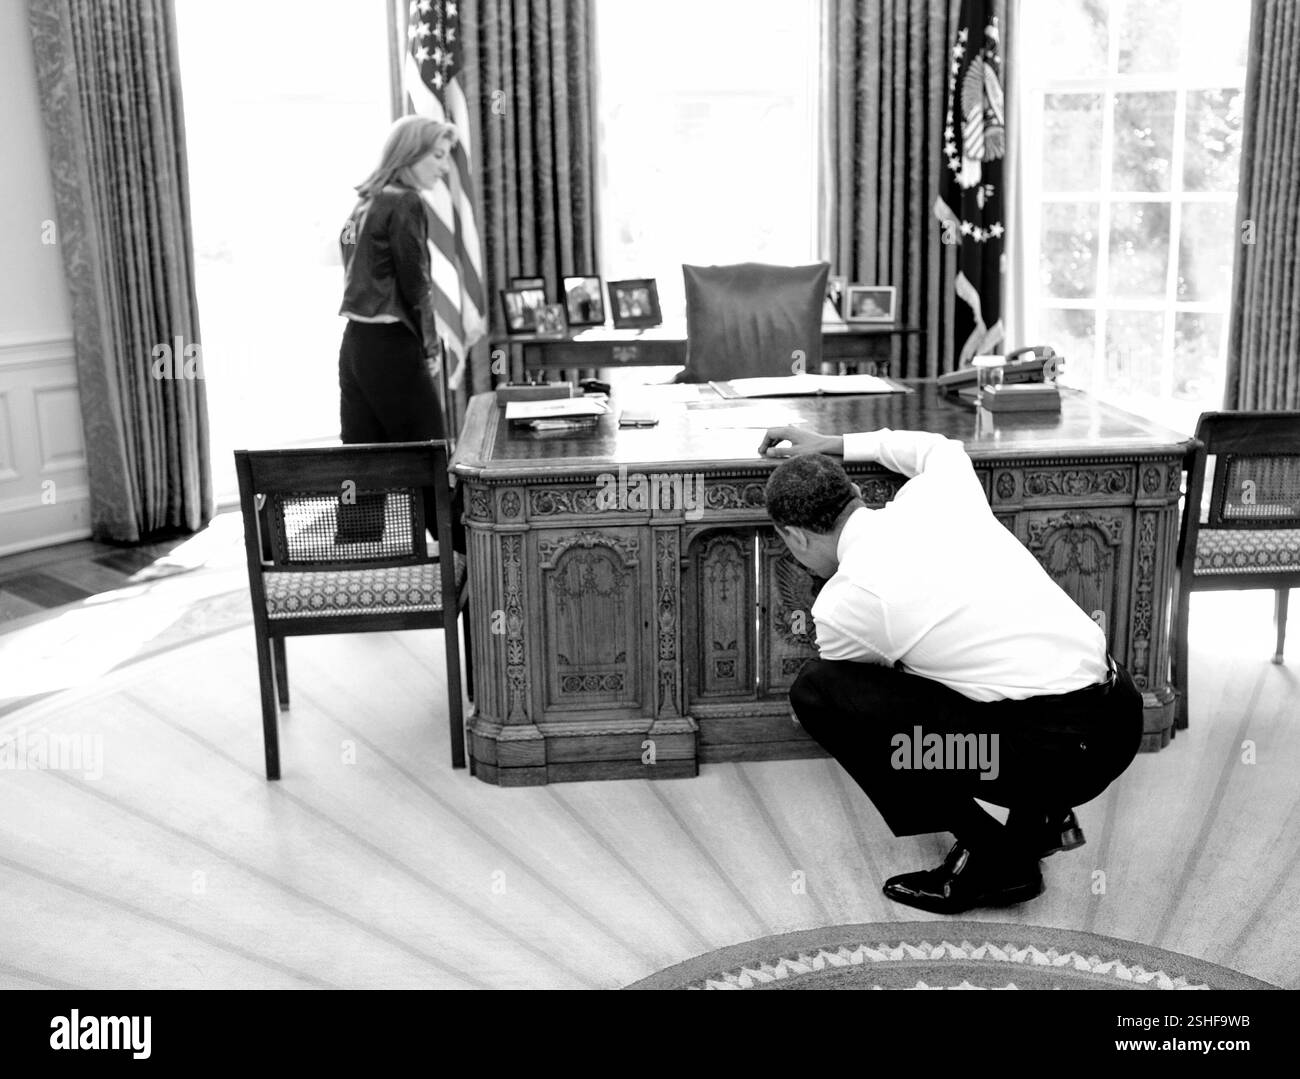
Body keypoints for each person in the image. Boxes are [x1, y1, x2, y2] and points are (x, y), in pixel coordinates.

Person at [757, 424, 1144, 915]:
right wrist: (835, 443)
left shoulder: (844, 603)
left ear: (793, 535)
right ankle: (1041, 818)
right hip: (1122, 716)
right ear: (854, 491)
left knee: (819, 692)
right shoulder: (941, 490)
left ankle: (999, 857)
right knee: (977, 659)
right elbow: (938, 446)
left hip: (1056, 754)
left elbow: (877, 706)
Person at [337, 116, 460, 545]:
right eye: (438, 156)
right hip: (392, 347)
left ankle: (359, 557)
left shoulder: (367, 200)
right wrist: (430, 347)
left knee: (363, 459)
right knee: (430, 458)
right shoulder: (406, 202)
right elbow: (416, 284)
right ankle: (467, 556)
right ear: (411, 153)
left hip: (356, 345)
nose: (444, 167)